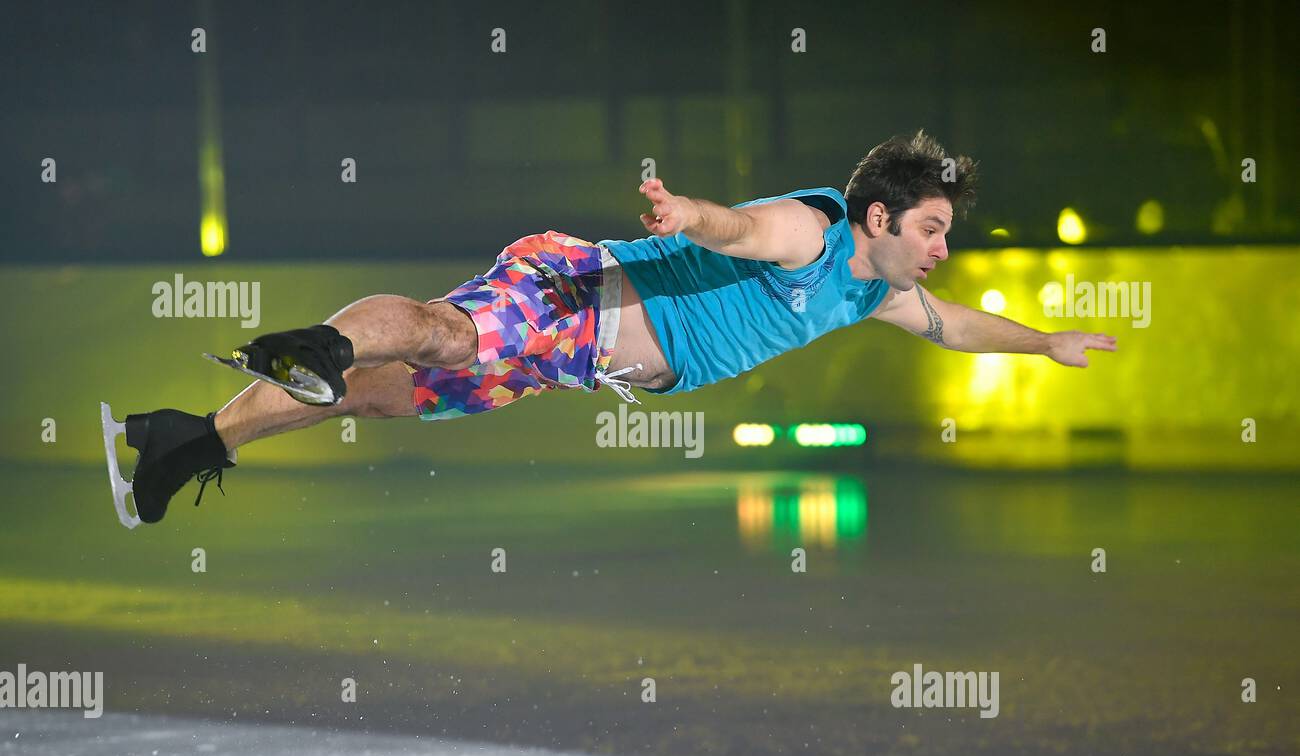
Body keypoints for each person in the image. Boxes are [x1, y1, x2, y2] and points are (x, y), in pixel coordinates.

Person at [100, 129, 1116, 528]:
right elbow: (743, 227)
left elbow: (951, 325)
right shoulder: (814, 234)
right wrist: (691, 218)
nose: (941, 248)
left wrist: (1046, 343)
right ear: (883, 218)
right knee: (436, 338)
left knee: (388, 396)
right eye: (934, 228)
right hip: (573, 294)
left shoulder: (868, 289)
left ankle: (180, 443)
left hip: (572, 361)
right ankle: (319, 345)